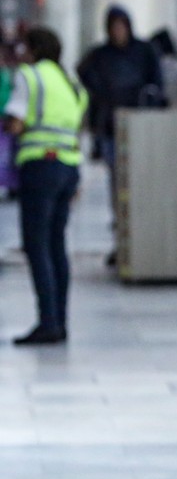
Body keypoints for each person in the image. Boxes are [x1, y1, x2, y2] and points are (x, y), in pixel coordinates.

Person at [3, 27, 88, 345]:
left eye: (25, 47)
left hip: (40, 166)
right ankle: (59, 321)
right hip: (68, 167)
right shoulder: (71, 84)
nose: (20, 53)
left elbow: (16, 122)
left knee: (36, 244)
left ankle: (47, 321)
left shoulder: (30, 76)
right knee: (55, 244)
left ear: (36, 49)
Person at [77, 4, 164, 265]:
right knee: (119, 187)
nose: (117, 32)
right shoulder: (101, 56)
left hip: (140, 127)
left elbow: (157, 83)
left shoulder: (143, 51)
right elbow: (85, 73)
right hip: (112, 128)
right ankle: (122, 241)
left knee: (143, 186)